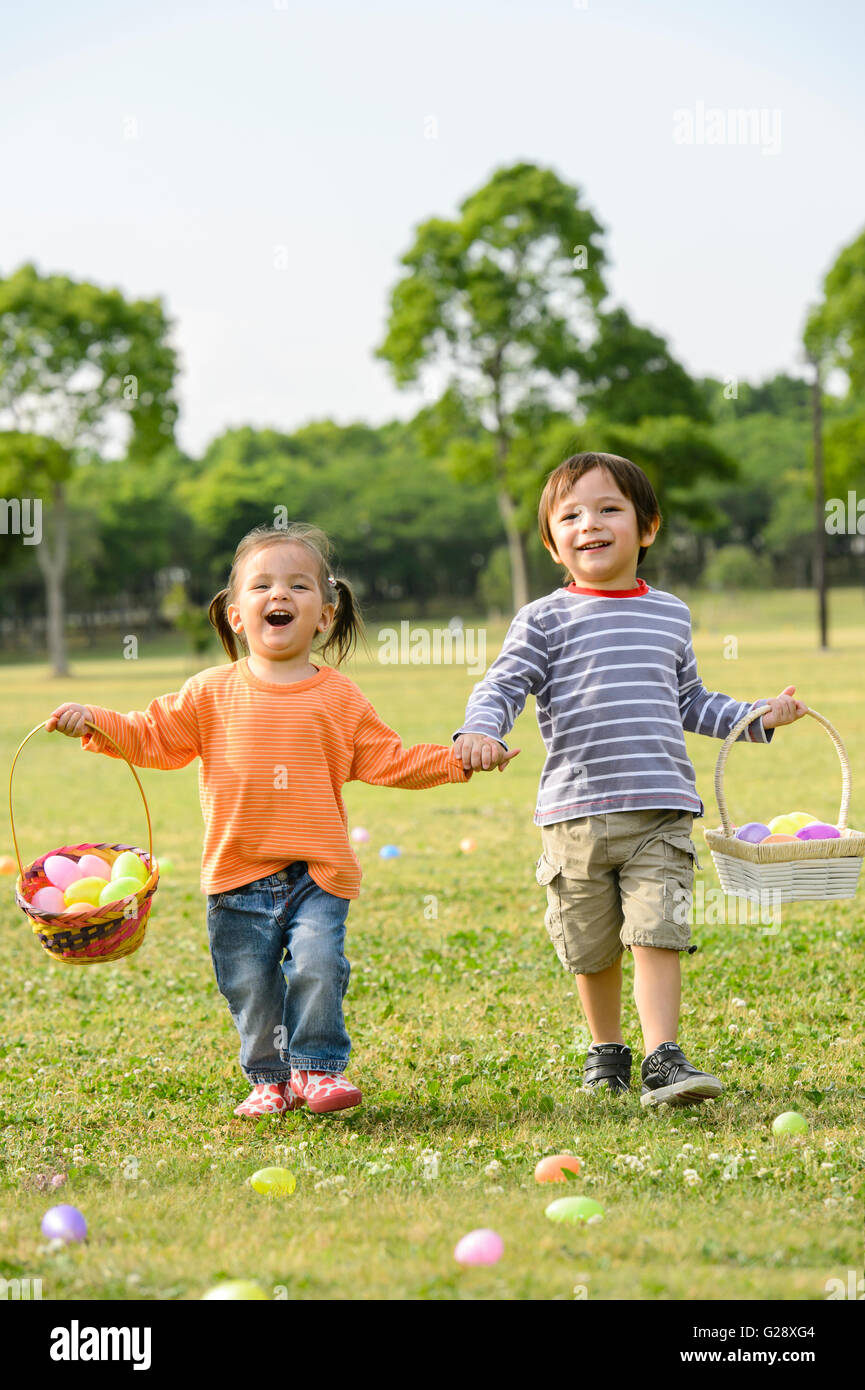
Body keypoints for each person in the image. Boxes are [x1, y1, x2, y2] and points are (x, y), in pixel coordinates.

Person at [46, 522, 474, 1119]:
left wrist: (457, 759)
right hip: (236, 873)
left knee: (319, 966)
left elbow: (390, 758)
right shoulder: (209, 692)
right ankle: (268, 1077)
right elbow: (153, 736)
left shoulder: (340, 698)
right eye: (262, 585)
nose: (280, 595)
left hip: (317, 872)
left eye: (299, 586)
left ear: (324, 615)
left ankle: (318, 1070)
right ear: (235, 616)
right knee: (250, 986)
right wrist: (96, 719)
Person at [453, 452, 808, 1107]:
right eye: (571, 515)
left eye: (609, 509)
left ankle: (663, 1056)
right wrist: (481, 730)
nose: (589, 523)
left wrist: (757, 716)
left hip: (660, 809)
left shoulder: (668, 613)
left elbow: (692, 700)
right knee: (589, 946)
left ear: (646, 528)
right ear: (552, 543)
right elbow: (503, 684)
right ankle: (605, 1050)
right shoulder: (543, 619)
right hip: (574, 815)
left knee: (656, 931)